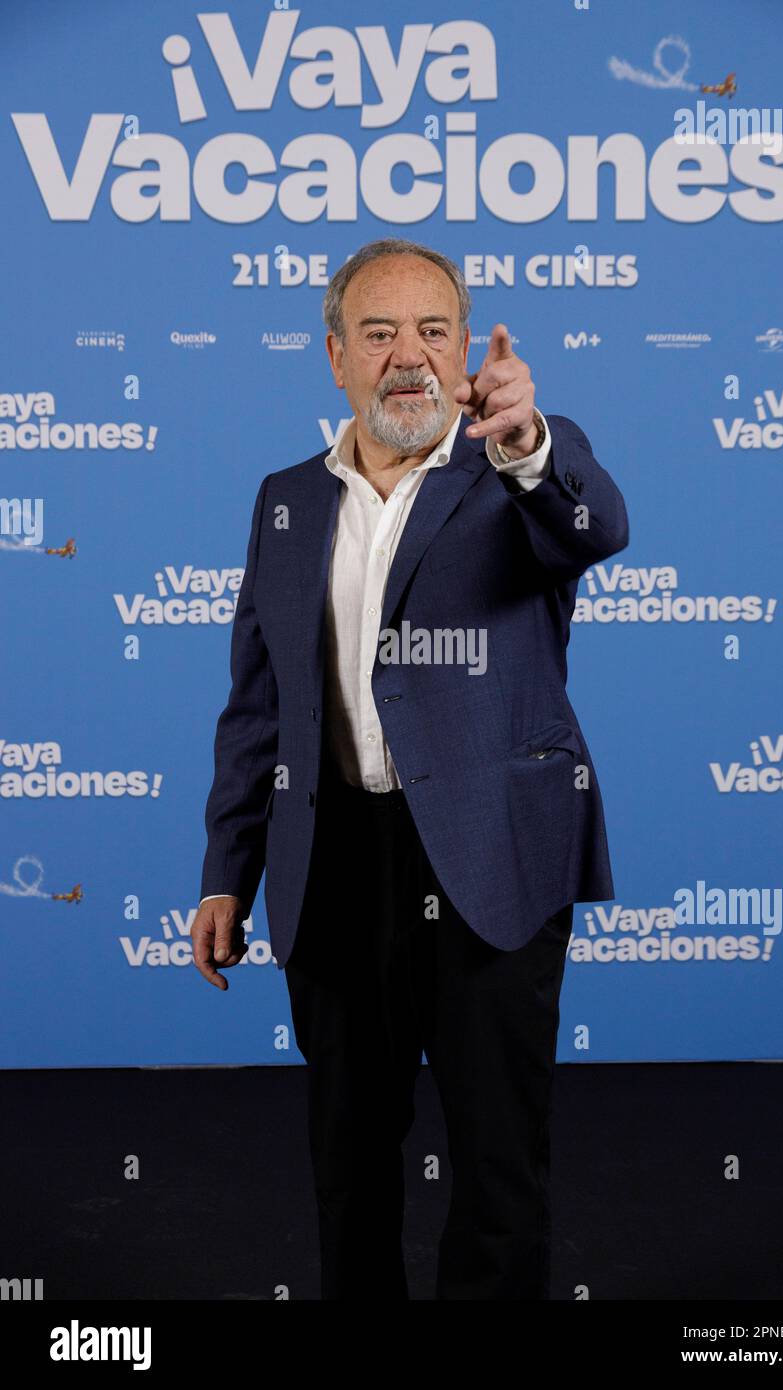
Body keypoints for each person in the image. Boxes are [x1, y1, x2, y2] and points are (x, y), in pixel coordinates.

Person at [192, 237, 629, 1300]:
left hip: (488, 858)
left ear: (466, 351)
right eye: (379, 332)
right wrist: (223, 872)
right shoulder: (284, 501)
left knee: (495, 1164)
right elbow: (260, 706)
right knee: (348, 1158)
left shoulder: (519, 463)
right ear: (334, 354)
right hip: (333, 862)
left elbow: (592, 525)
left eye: (434, 331)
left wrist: (524, 442)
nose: (409, 356)